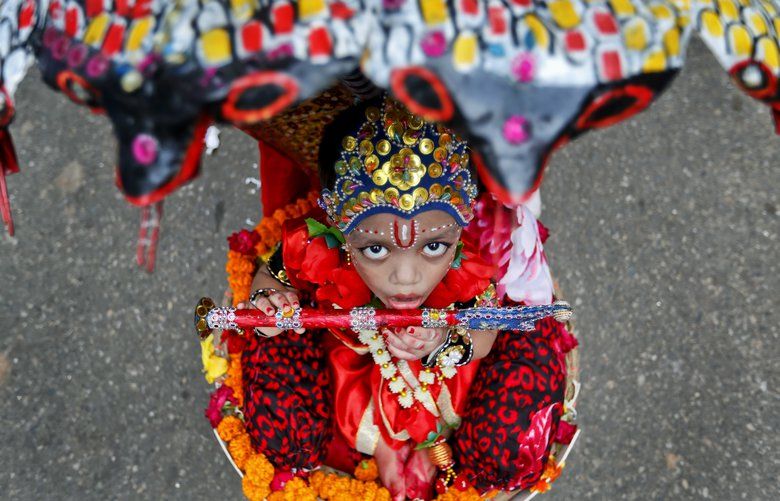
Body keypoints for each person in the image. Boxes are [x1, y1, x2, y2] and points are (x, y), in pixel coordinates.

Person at [236, 96, 574, 500]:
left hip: (447, 381)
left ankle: (423, 444)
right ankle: (386, 444)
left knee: (500, 444)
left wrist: (446, 342)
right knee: (294, 431)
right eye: (375, 249)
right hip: (354, 375)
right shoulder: (318, 246)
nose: (406, 278)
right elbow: (271, 275)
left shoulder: (467, 259)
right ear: (340, 228)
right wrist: (271, 303)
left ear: (458, 225)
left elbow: (485, 334)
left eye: (433, 247)